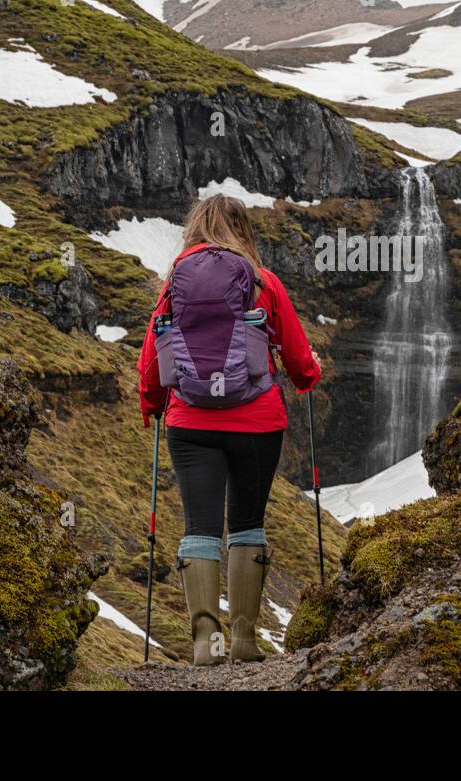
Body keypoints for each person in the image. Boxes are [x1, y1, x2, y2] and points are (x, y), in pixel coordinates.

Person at [137, 194, 321, 665]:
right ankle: (243, 639)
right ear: (244, 231)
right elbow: (300, 362)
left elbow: (152, 363)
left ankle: (204, 640)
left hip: (190, 424)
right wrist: (308, 376)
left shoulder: (173, 285)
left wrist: (153, 405)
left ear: (195, 228)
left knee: (200, 526)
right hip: (257, 423)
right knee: (246, 524)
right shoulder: (265, 284)